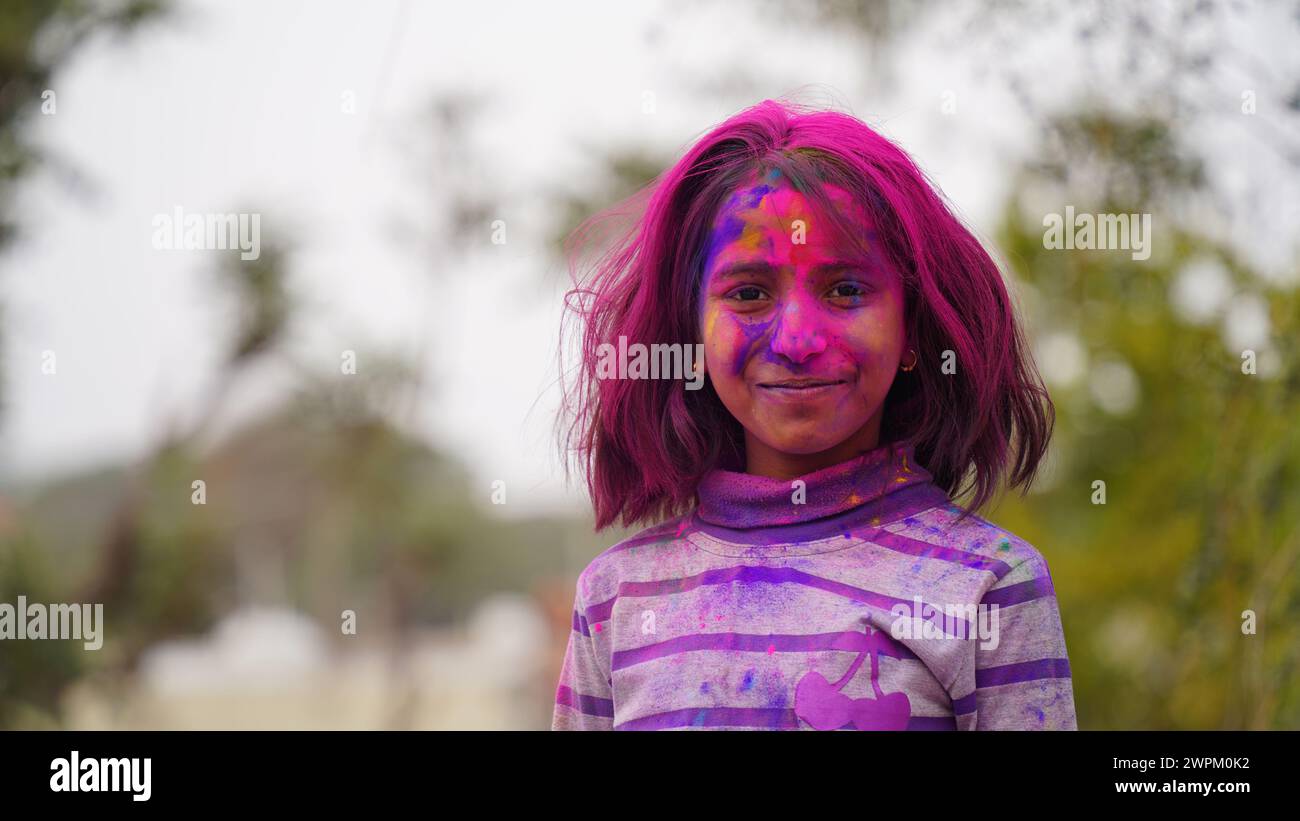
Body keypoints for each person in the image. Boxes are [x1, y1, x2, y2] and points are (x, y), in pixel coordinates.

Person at [551, 98, 1076, 730]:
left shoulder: (987, 586)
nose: (797, 340)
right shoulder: (617, 601)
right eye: (748, 293)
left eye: (846, 290)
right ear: (689, 336)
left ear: (912, 329)